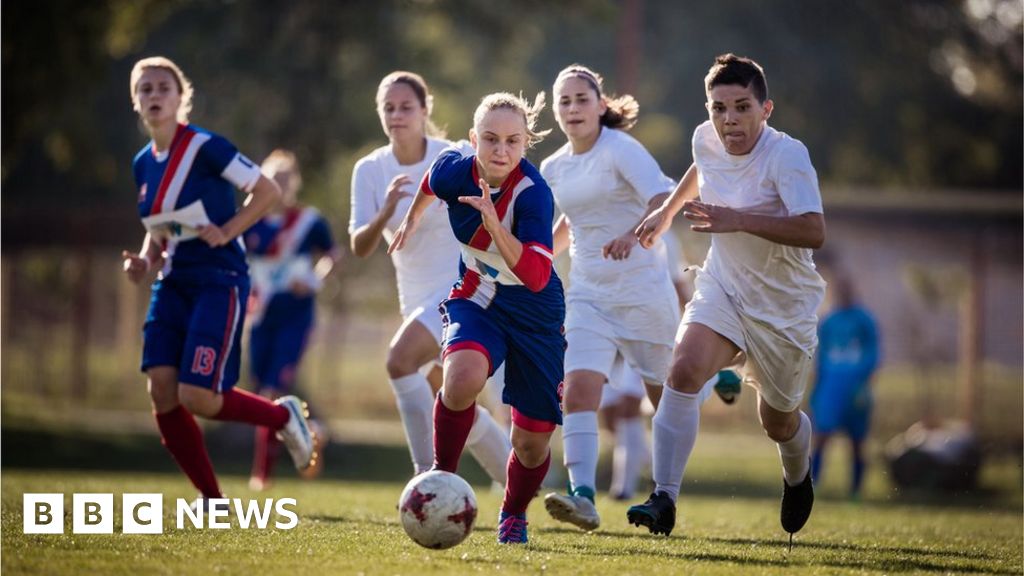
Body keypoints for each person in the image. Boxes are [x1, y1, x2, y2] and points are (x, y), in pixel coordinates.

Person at [631, 53, 826, 544]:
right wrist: (667, 213)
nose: (729, 119)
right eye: (719, 108)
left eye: (742, 107)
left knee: (777, 422)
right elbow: (701, 167)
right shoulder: (705, 136)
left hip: (784, 307)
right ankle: (664, 497)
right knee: (683, 368)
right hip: (724, 284)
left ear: (766, 109)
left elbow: (813, 230)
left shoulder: (787, 156)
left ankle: (797, 473)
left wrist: (736, 218)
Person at [121, 57, 315, 509]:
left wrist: (228, 231)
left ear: (181, 97)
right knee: (162, 391)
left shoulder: (205, 147)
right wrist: (145, 260)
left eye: (163, 87)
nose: (154, 95)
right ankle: (213, 501)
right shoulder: (140, 164)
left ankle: (280, 416)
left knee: (200, 397)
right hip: (172, 281)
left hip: (219, 278)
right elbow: (159, 226)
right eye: (145, 88)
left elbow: (266, 191)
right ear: (136, 101)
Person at [538, 64, 720, 531]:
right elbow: (569, 226)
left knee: (671, 400)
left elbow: (664, 197)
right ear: (556, 111)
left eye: (582, 99)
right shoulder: (553, 166)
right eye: (565, 101)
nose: (573, 109)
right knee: (577, 390)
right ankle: (583, 497)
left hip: (642, 291)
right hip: (588, 296)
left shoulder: (620, 149)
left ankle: (665, 493)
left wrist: (628, 234)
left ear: (601, 106)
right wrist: (532, 258)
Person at [389, 91, 564, 544]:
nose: (500, 151)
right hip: (477, 296)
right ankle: (440, 479)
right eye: (490, 139)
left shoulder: (534, 195)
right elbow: (430, 181)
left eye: (512, 141)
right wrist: (411, 220)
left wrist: (493, 225)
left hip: (535, 313)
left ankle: (513, 512)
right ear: (473, 139)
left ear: (526, 144)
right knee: (461, 378)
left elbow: (537, 275)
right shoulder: (456, 169)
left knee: (531, 441)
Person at [349, 72, 510, 483]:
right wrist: (385, 212)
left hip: (461, 288)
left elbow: (496, 190)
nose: (397, 115)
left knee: (398, 361)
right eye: (389, 108)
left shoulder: (452, 155)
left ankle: (426, 476)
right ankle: (517, 481)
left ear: (425, 110)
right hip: (414, 297)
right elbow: (360, 246)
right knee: (452, 403)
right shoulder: (369, 169)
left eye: (406, 107)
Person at [245, 149, 338, 491]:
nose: (281, 186)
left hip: (296, 316)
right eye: (274, 179)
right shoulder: (249, 223)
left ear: (296, 183)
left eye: (286, 180)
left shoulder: (309, 222)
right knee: (260, 394)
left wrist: (314, 280)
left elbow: (333, 255)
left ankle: (262, 474)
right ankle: (312, 432)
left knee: (272, 390)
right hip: (261, 319)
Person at [809, 272, 880, 500]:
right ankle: (811, 486)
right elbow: (819, 357)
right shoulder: (829, 321)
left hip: (855, 388)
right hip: (830, 389)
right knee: (821, 437)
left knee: (857, 441)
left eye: (846, 289)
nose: (843, 293)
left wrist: (864, 384)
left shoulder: (864, 320)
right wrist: (816, 388)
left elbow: (874, 354)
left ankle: (856, 491)